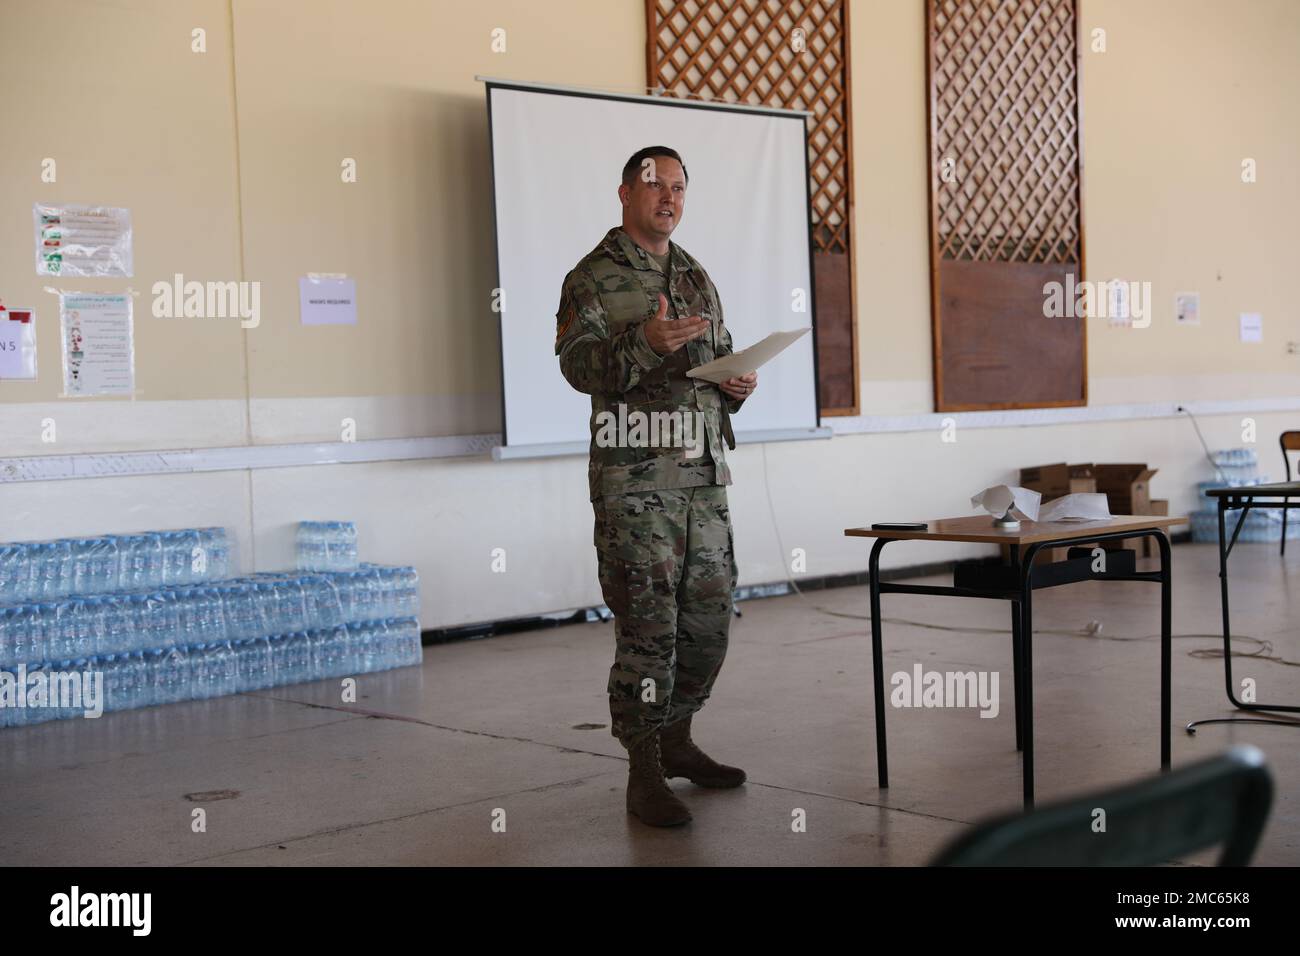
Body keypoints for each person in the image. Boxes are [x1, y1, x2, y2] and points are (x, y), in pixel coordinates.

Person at [555, 145, 758, 827]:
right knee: (648, 632)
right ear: (625, 193)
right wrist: (644, 341)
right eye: (654, 186)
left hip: (703, 481)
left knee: (707, 625)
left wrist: (736, 385)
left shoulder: (695, 276)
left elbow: (714, 364)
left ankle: (679, 739)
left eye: (677, 188)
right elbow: (580, 368)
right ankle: (643, 767)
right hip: (636, 490)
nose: (667, 199)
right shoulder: (593, 277)